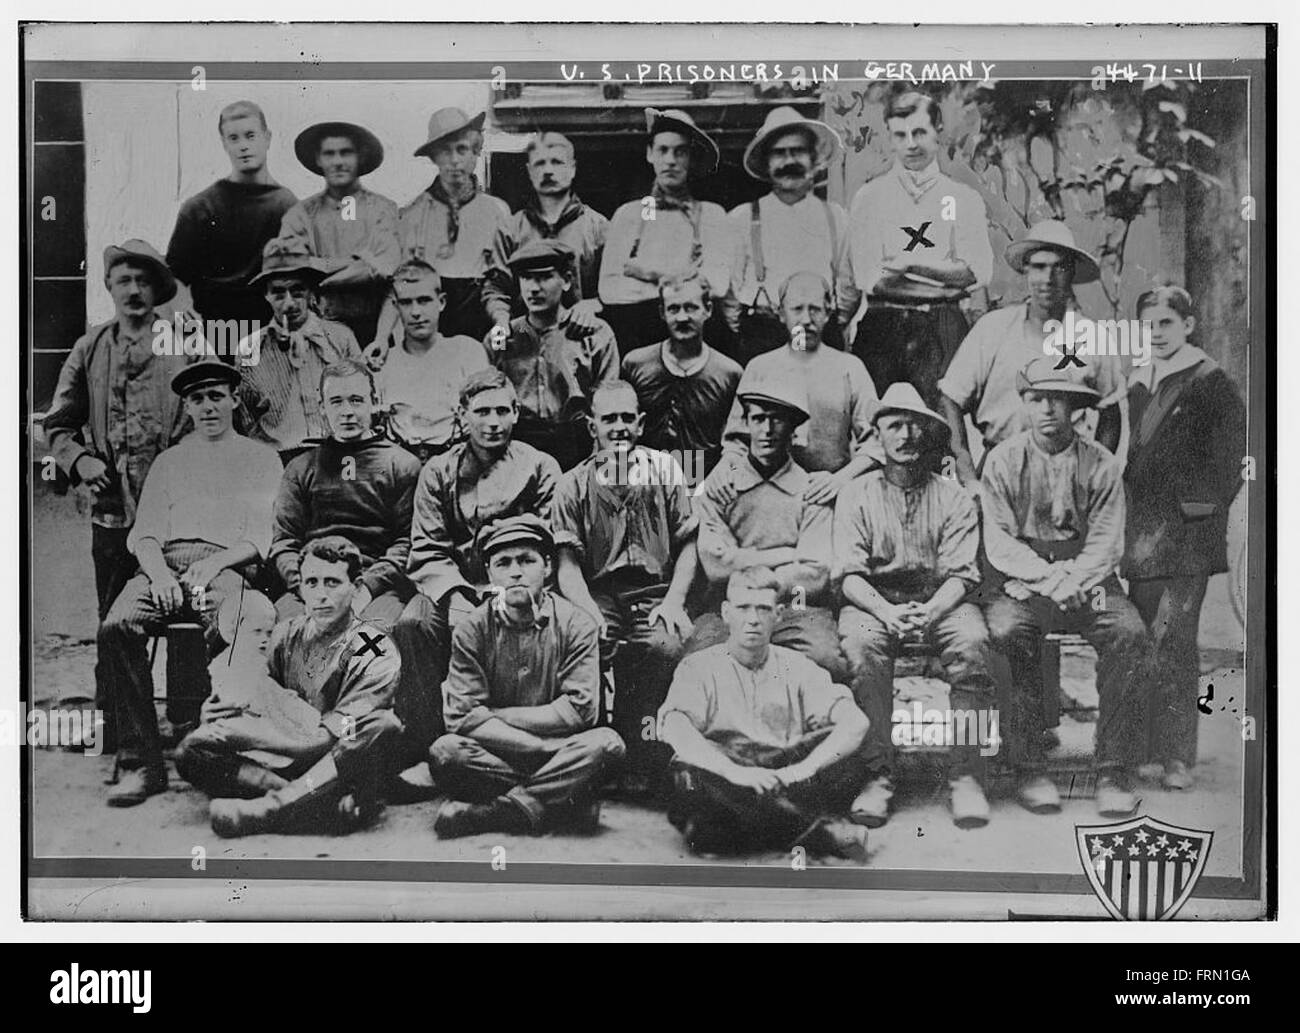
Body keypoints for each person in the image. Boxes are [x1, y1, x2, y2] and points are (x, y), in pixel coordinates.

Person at [97, 361, 283, 806]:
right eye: (198, 399)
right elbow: (144, 533)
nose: (208, 407)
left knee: (240, 621)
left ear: (235, 399)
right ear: (188, 406)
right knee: (117, 626)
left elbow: (261, 536)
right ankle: (141, 761)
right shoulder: (171, 460)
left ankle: (223, 749)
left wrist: (216, 561)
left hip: (224, 566)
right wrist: (159, 573)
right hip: (163, 566)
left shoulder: (260, 458)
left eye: (216, 396)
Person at [980, 356, 1149, 818]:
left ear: (1077, 408)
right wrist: (1051, 579)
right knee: (1009, 630)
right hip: (1027, 578)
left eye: (1059, 399)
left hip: (1088, 578)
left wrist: (1072, 579)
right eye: (1037, 399)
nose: (1048, 409)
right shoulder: (1003, 460)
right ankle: (1030, 766)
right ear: (1025, 404)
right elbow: (999, 541)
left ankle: (1113, 770)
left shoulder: (1101, 464)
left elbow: (1106, 541)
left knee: (1128, 632)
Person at [43, 241, 194, 752]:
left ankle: (188, 721)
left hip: (176, 513)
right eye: (123, 280)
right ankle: (116, 723)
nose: (133, 290)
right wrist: (80, 460)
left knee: (182, 613)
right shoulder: (90, 349)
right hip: (113, 514)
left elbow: (218, 407)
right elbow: (59, 423)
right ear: (109, 287)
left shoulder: (185, 344)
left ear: (157, 291)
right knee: (114, 620)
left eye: (143, 281)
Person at [269, 358, 443, 773]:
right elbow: (284, 542)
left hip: (374, 586)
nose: (347, 411)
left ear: (374, 402)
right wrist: (307, 586)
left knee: (372, 639)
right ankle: (296, 744)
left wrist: (365, 587)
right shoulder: (301, 467)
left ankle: (373, 750)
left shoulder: (401, 464)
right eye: (336, 402)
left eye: (356, 400)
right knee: (283, 634)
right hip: (313, 584)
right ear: (321, 406)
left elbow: (407, 541)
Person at [835, 383, 995, 829]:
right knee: (862, 650)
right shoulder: (855, 495)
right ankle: (877, 778)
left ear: (927, 433)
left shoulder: (954, 497)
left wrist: (929, 611)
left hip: (942, 598)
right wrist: (887, 613)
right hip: (874, 601)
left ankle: (966, 777)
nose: (906, 435)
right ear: (877, 435)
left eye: (914, 425)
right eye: (894, 425)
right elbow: (849, 574)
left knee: (972, 645)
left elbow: (963, 574)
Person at [178, 537, 403, 837]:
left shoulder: (376, 651)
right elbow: (257, 697)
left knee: (382, 726)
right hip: (286, 759)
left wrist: (254, 738)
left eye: (333, 583)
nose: (320, 595)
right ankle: (320, 808)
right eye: (311, 583)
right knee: (192, 749)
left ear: (357, 586)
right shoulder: (284, 634)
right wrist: (217, 711)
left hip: (337, 761)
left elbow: (327, 740)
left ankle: (269, 810)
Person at [429, 516, 625, 837]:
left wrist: (493, 715)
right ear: (489, 573)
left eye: (526, 560)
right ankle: (559, 804)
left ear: (547, 566)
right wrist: (535, 746)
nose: (516, 571)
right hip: (505, 755)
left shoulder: (577, 624)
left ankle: (495, 813)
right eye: (503, 563)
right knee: (445, 752)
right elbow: (462, 719)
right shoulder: (471, 628)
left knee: (606, 745)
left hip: (561, 750)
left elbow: (579, 711)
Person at [658, 566, 870, 861]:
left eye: (763, 609)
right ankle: (816, 832)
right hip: (726, 766)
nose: (753, 619)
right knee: (686, 771)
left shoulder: (799, 666)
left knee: (848, 755)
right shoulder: (698, 666)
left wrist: (801, 770)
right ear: (726, 612)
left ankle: (738, 829)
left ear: (779, 614)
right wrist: (735, 773)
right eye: (743, 608)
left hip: (784, 770)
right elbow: (675, 727)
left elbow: (855, 722)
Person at [1123, 285, 1247, 790]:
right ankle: (1146, 750)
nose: (1157, 333)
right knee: (1144, 636)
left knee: (1175, 639)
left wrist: (1202, 510)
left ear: (1189, 326)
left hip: (1188, 532)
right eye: (1149, 325)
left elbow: (1233, 456)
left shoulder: (1209, 379)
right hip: (1143, 532)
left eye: (1167, 324)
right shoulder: (1138, 380)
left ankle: (1178, 756)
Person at [550, 381, 698, 784]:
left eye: (627, 418)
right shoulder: (572, 485)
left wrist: (674, 601)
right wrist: (587, 610)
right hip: (599, 593)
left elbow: (689, 544)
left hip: (654, 591)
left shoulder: (666, 470)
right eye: (608, 418)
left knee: (661, 646)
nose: (618, 427)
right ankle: (594, 759)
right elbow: (566, 562)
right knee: (585, 641)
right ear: (591, 425)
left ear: (641, 423)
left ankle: (642, 755)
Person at [939, 220, 1124, 490]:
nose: (1048, 279)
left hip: (1065, 476)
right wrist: (965, 472)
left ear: (1071, 272)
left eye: (1059, 267)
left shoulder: (1091, 336)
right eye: (1039, 267)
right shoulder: (993, 329)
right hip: (1001, 472)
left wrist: (1089, 475)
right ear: (1026, 270)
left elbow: (1111, 413)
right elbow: (949, 399)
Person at [406, 369, 562, 689]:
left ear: (516, 413)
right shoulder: (437, 472)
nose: (493, 422)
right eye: (482, 412)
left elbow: (547, 541)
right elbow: (428, 547)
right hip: (454, 583)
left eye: (502, 411)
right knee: (414, 623)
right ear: (463, 415)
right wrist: (456, 594)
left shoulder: (540, 467)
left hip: (520, 584)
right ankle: (426, 730)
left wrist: (507, 590)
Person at [839, 92, 993, 405]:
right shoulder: (869, 198)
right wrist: (946, 285)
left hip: (944, 327)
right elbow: (873, 279)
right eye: (901, 134)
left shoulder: (962, 198)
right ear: (890, 138)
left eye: (920, 132)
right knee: (883, 422)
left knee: (944, 419)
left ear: (938, 131)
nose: (911, 144)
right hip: (884, 325)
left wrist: (908, 264)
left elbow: (977, 272)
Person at [692, 378, 847, 683]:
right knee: (697, 661)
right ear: (746, 424)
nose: (767, 430)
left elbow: (814, 574)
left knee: (826, 660)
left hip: (796, 606)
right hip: (729, 606)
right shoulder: (721, 485)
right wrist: (787, 554)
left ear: (793, 429)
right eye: (758, 419)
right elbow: (716, 565)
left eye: (777, 419)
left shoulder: (811, 490)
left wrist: (749, 568)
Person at [722, 271, 881, 502]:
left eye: (815, 309)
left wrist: (840, 480)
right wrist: (733, 476)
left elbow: (875, 443)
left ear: (828, 313)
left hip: (830, 494)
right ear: (780, 313)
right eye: (797, 309)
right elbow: (734, 443)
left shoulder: (850, 368)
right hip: (769, 495)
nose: (806, 320)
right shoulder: (760, 368)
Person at [599, 108, 737, 356]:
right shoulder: (632, 214)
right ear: (650, 154)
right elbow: (609, 290)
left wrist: (647, 272)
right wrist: (683, 281)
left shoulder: (711, 215)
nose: (671, 160)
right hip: (640, 337)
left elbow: (717, 285)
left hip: (698, 338)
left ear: (691, 159)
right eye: (663, 150)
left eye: (680, 152)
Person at [371, 108, 510, 349]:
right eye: (445, 151)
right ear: (434, 157)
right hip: (429, 330)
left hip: (482, 327)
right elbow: (399, 286)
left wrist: (501, 325)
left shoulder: (496, 212)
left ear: (476, 152)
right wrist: (382, 338)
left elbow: (502, 285)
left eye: (462, 149)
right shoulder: (413, 214)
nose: (455, 160)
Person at [486, 239, 618, 470]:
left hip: (576, 444)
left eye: (544, 277)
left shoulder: (594, 333)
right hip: (517, 443)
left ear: (566, 281)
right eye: (526, 278)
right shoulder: (503, 336)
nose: (534, 288)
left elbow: (609, 402)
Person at [730, 106, 848, 361]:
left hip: (821, 332)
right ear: (767, 162)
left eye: (798, 151)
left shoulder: (835, 217)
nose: (789, 162)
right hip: (764, 332)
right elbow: (730, 291)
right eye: (779, 153)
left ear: (813, 158)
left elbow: (848, 285)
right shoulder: (743, 218)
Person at [166, 100, 298, 326]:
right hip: (213, 330)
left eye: (250, 135)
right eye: (233, 138)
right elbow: (174, 275)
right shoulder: (199, 207)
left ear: (267, 138)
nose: (243, 146)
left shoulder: (286, 205)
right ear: (224, 144)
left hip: (266, 332)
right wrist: (181, 308)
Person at [237, 237, 364, 462]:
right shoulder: (250, 349)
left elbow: (361, 396)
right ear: (266, 295)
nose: (289, 304)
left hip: (337, 454)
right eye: (278, 293)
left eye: (297, 291)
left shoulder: (340, 337)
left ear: (310, 292)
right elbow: (246, 417)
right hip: (280, 460)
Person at [278, 120, 400, 345]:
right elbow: (290, 268)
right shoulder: (301, 214)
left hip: (373, 330)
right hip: (319, 329)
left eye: (346, 153)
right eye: (329, 154)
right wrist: (356, 260)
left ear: (359, 158)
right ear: (318, 159)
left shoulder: (383, 209)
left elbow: (384, 268)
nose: (338, 162)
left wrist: (322, 275)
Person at [481, 131, 609, 336]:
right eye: (540, 163)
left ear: (573, 168)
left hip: (581, 340)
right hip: (524, 342)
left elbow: (613, 288)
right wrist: (502, 321)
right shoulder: (510, 228)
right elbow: (495, 289)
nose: (548, 171)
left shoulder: (597, 226)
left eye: (557, 162)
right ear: (530, 171)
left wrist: (594, 305)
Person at [619, 272, 743, 481]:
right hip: (645, 485)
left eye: (691, 307)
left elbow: (737, 444)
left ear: (708, 310)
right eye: (673, 309)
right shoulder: (635, 364)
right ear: (662, 312)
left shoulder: (730, 373)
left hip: (704, 489)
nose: (682, 317)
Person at [371, 259, 489, 459]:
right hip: (399, 466)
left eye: (424, 300)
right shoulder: (383, 361)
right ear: (396, 306)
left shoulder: (467, 352)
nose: (416, 312)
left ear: (441, 302)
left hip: (458, 462)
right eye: (406, 303)